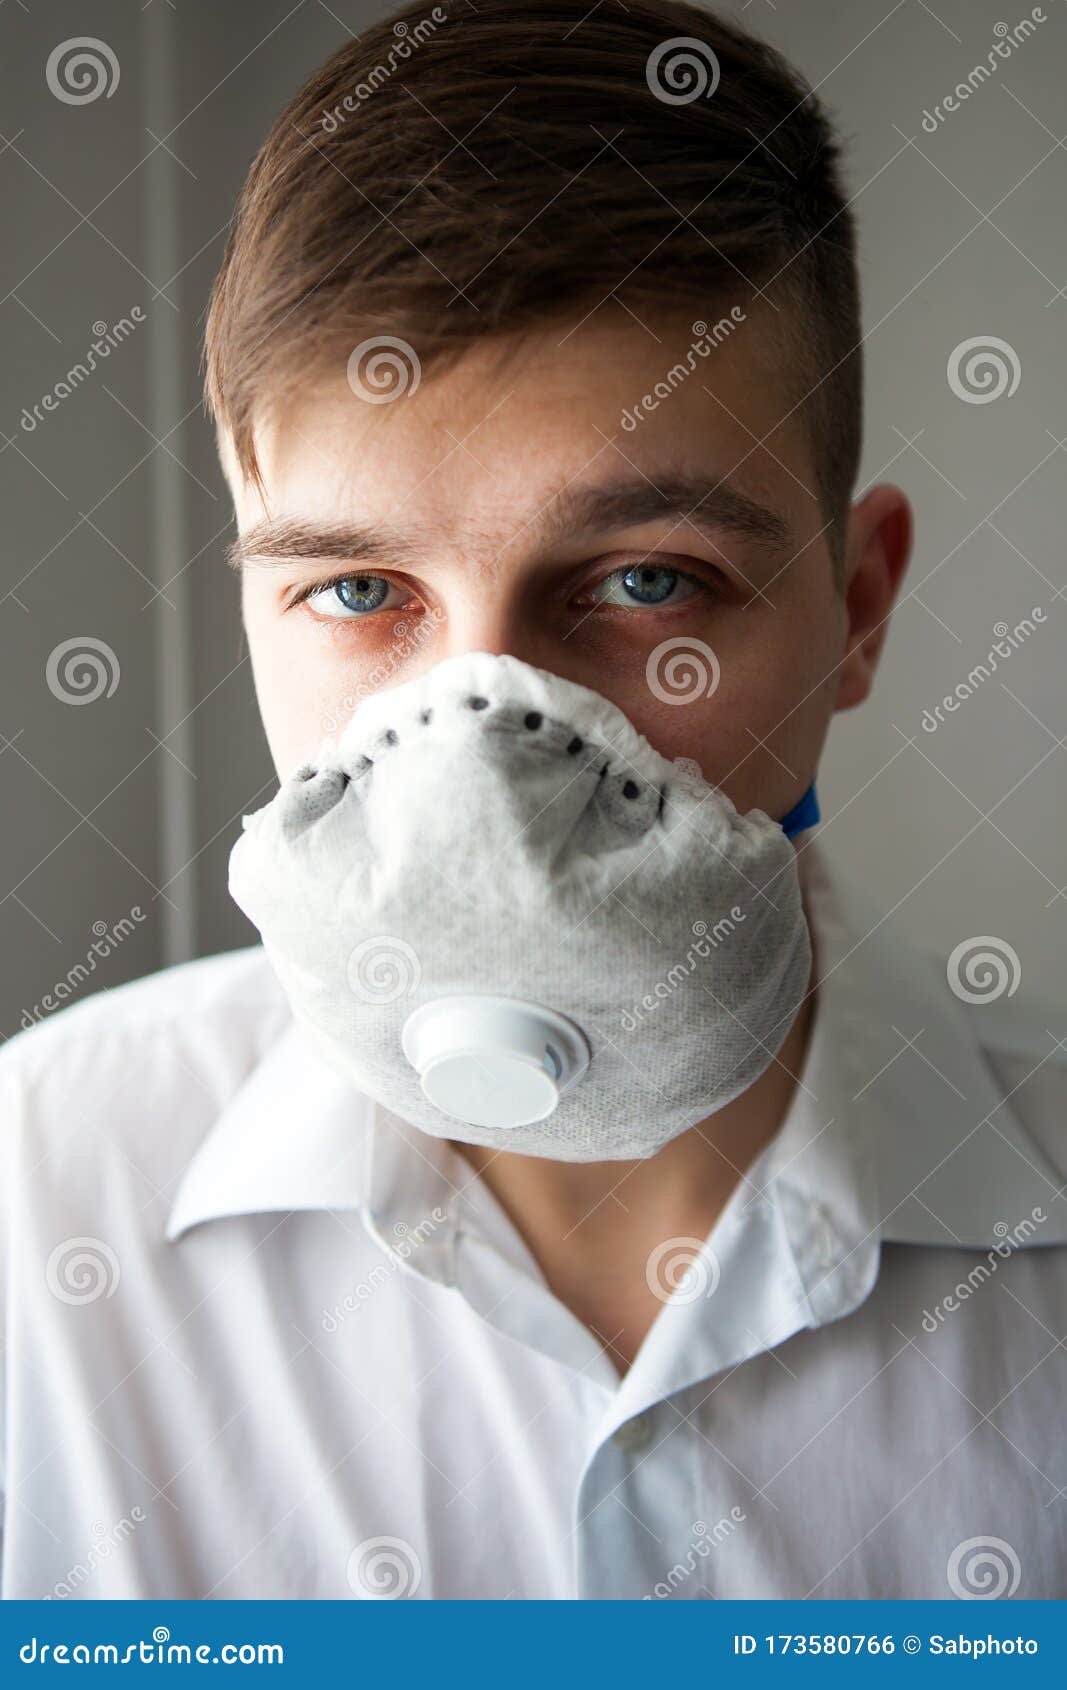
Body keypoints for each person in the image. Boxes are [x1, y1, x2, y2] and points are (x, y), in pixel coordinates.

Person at [2, 0, 1064, 1602]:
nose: (485, 758)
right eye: (360, 588)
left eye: (645, 581)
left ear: (856, 610)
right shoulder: (34, 1210)